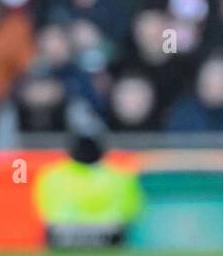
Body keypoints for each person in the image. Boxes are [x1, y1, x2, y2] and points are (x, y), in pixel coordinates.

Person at [33, 102, 143, 248]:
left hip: (70, 237)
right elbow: (131, 212)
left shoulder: (52, 175)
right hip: (104, 237)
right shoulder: (120, 176)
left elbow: (46, 212)